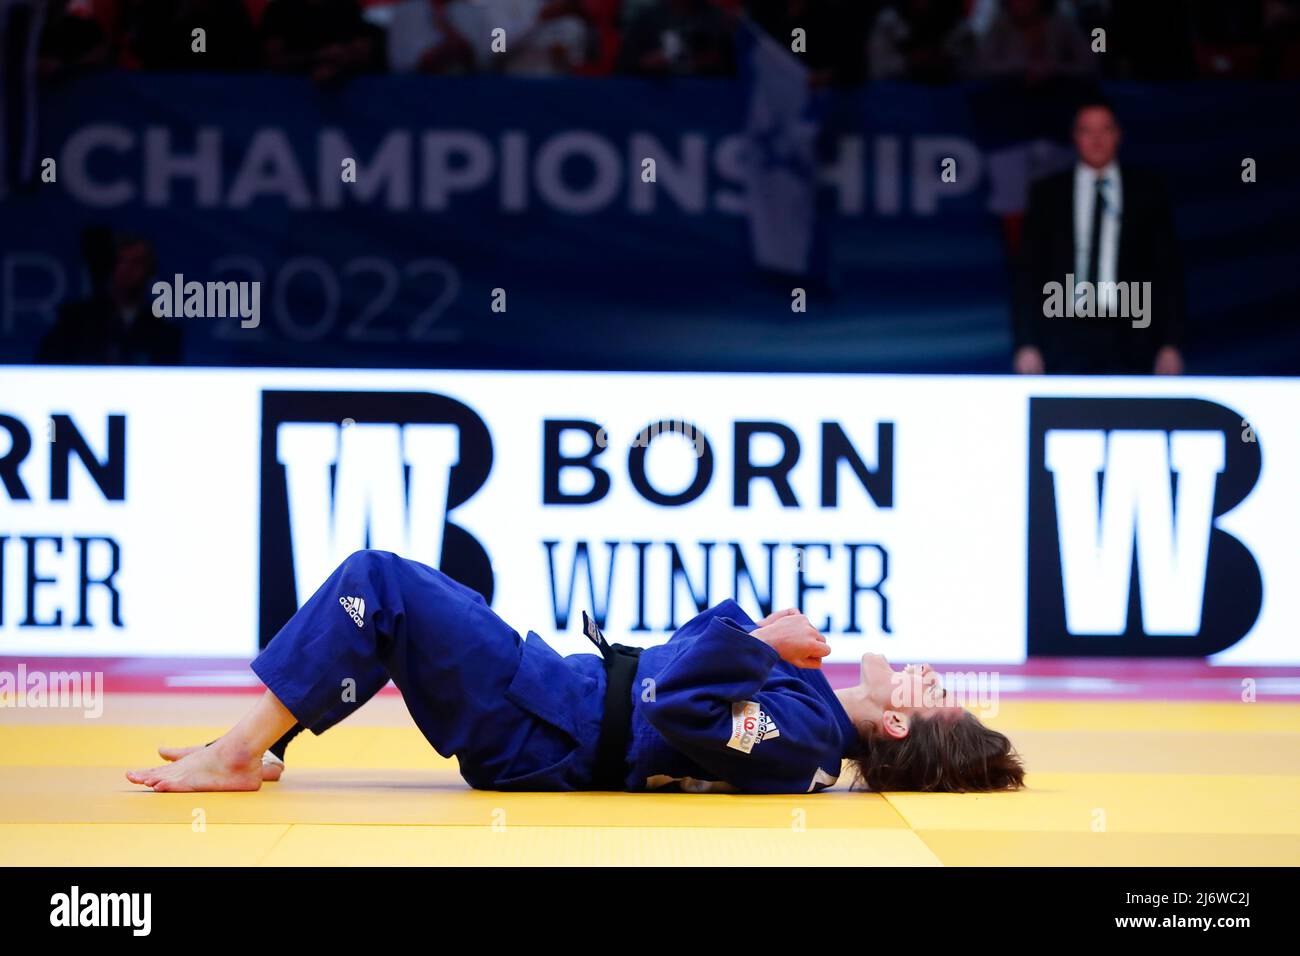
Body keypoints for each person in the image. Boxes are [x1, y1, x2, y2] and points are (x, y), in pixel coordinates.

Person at [127, 550, 1024, 795]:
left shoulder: (804, 740)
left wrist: (760, 643)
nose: (930, 672)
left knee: (382, 584)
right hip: (554, 697)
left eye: (933, 693)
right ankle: (256, 744)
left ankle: (239, 756)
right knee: (397, 610)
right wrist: (759, 642)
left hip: (541, 728)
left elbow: (676, 703)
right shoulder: (814, 717)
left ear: (898, 725)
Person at [1012, 98, 1186, 375]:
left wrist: (1170, 344)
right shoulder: (1048, 193)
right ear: (1075, 137)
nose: (1096, 139)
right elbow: (1027, 273)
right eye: (1086, 130)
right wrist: (1026, 343)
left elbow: (1167, 271)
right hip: (1062, 335)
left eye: (1105, 130)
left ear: (1118, 135)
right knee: (1066, 417)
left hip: (1132, 337)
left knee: (1129, 418)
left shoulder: (1147, 192)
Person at [37, 231, 182, 365]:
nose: (127, 270)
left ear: (150, 270)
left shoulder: (163, 332)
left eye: (136, 262)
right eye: (121, 261)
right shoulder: (75, 322)